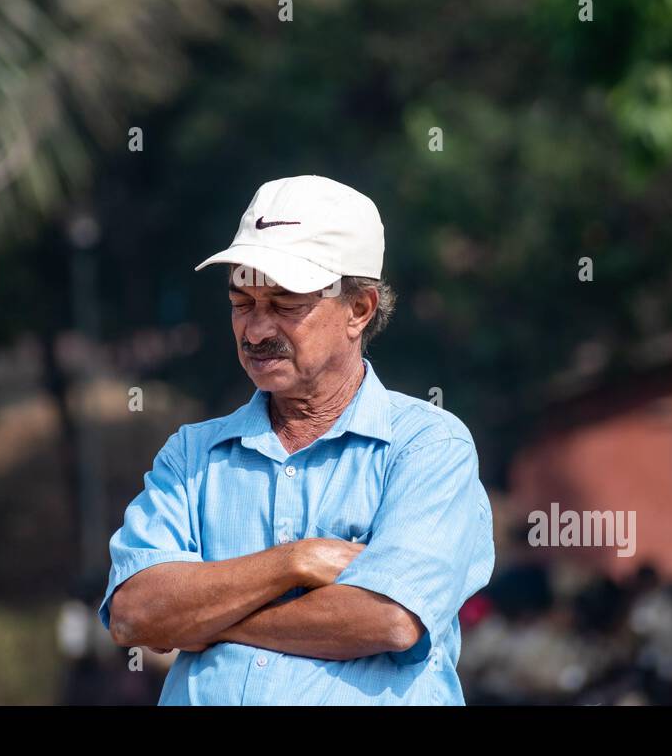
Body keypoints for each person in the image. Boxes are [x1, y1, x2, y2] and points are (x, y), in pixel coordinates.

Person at [98, 175, 496, 704]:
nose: (256, 330)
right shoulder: (191, 455)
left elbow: (390, 618)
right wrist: (297, 561)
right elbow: (134, 614)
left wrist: (202, 619)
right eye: (242, 302)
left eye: (285, 304)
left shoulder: (428, 446)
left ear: (359, 309)